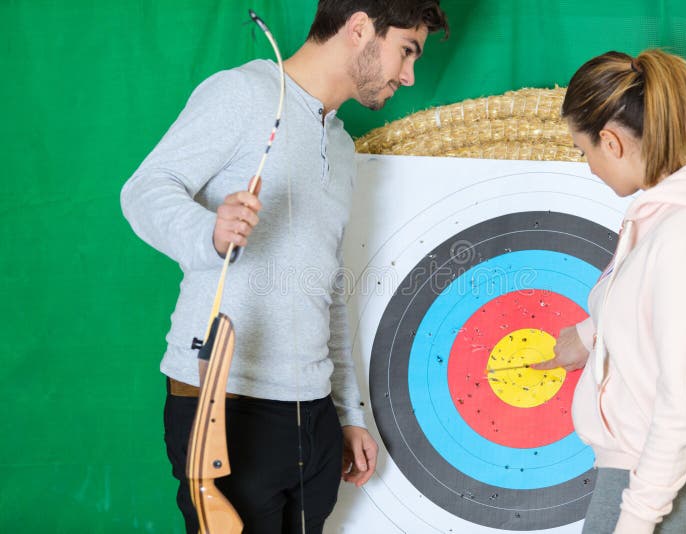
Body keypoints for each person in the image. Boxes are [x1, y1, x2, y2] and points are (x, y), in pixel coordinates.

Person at [120, 2, 449, 533]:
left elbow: (327, 289)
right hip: (225, 407)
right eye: (406, 51)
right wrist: (209, 232)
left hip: (312, 416)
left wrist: (346, 414)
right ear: (360, 27)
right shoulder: (243, 94)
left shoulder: (341, 146)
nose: (409, 77)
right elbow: (143, 191)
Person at [535, 49, 686, 533]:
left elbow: (683, 407)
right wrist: (588, 334)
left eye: (585, 152)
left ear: (611, 141)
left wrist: (637, 520)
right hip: (644, 458)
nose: (589, 168)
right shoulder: (668, 217)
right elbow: (653, 304)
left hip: (656, 467)